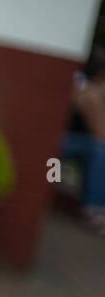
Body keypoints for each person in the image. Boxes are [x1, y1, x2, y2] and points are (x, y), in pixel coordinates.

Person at [63, 45, 105, 234]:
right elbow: (100, 133)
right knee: (98, 150)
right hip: (59, 141)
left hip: (74, 141)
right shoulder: (87, 91)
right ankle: (93, 208)